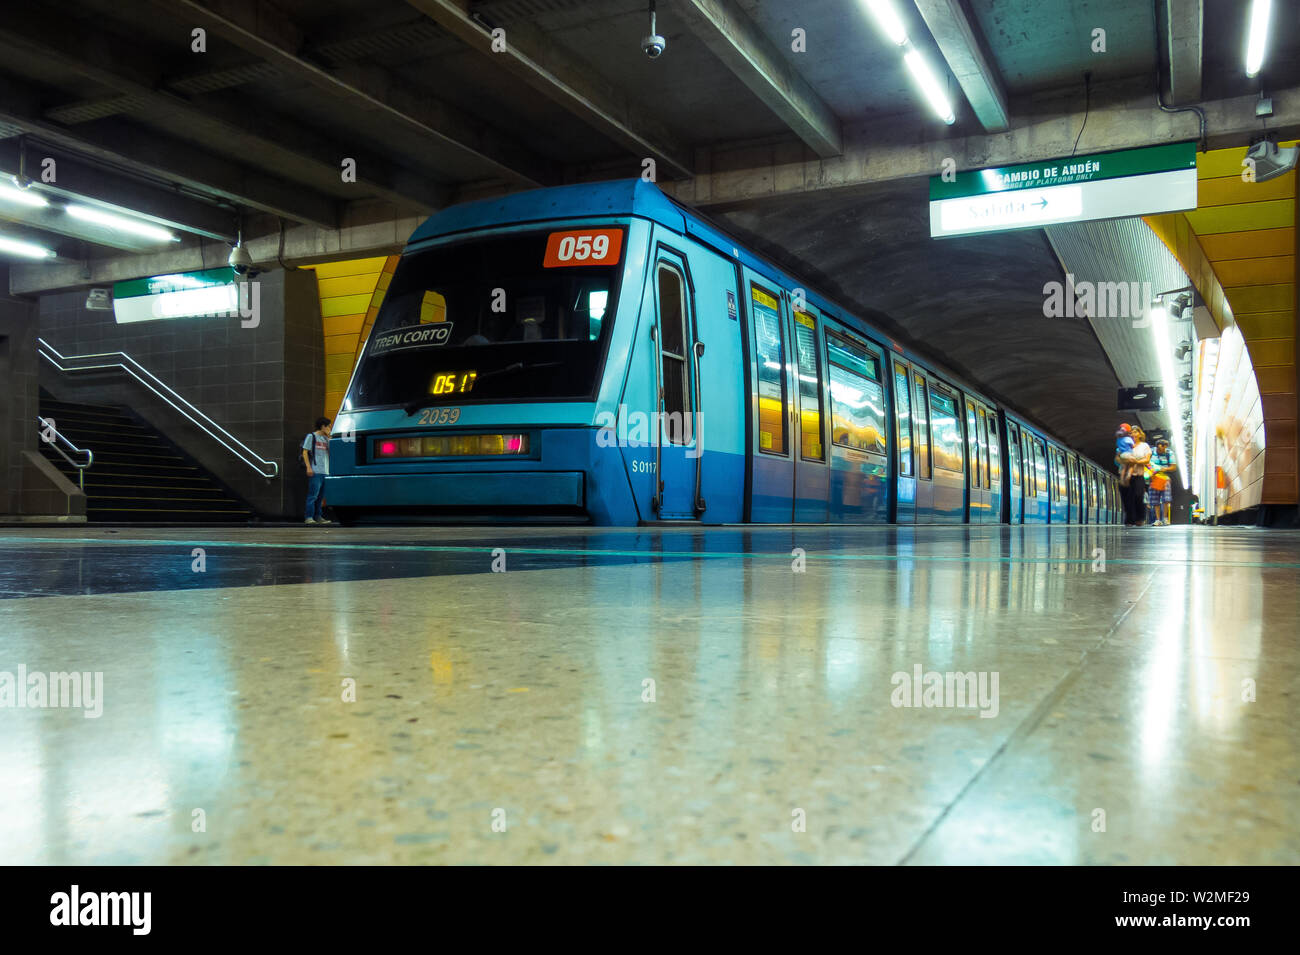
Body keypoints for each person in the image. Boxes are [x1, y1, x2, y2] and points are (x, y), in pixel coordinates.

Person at [1118, 426, 1152, 527]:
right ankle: (1129, 520)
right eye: (1131, 433)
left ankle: (1139, 518)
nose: (1133, 434)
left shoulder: (1144, 446)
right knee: (1127, 498)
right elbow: (1118, 458)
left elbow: (1147, 460)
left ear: (1140, 434)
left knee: (1138, 495)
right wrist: (1125, 460)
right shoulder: (1125, 444)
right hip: (1125, 475)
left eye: (1135, 432)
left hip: (1138, 475)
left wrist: (1136, 462)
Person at [302, 416, 332, 525]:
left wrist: (329, 437)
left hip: (326, 470)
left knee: (321, 496)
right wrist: (308, 467)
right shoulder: (311, 436)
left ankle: (318, 516)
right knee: (313, 495)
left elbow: (332, 451)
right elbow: (305, 452)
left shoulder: (326, 438)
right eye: (328, 426)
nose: (330, 428)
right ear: (323, 426)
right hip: (315, 470)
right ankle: (309, 517)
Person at [1148, 438, 1176, 525]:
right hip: (1154, 478)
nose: (1162, 451)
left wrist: (1165, 469)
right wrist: (1151, 471)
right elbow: (1146, 463)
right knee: (1155, 500)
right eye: (1160, 449)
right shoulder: (1151, 452)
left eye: (1164, 448)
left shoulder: (1169, 453)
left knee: (1166, 499)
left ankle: (1165, 518)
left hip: (1165, 478)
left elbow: (1173, 467)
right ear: (1157, 447)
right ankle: (1157, 519)